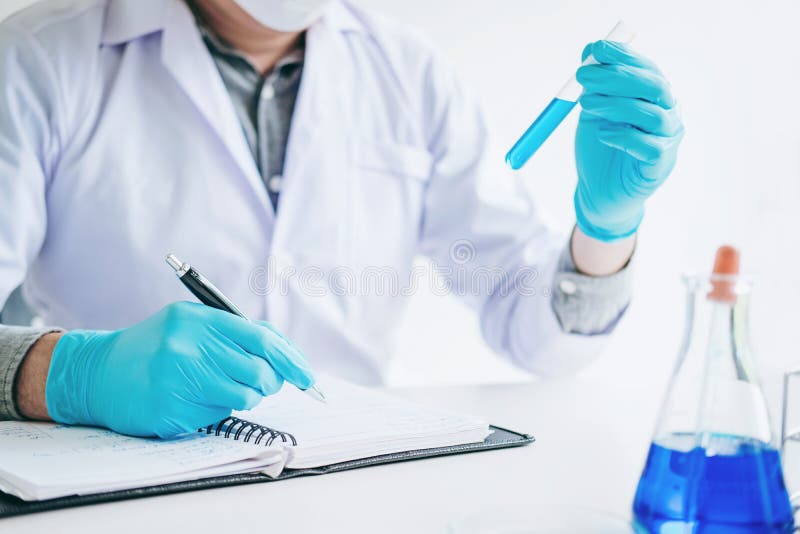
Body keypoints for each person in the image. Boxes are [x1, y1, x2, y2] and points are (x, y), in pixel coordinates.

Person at [0, 0, 683, 438]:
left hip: (347, 477)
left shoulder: (409, 72)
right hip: (114, 477)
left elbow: (534, 331)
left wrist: (605, 228)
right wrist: (69, 374)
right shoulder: (39, 57)